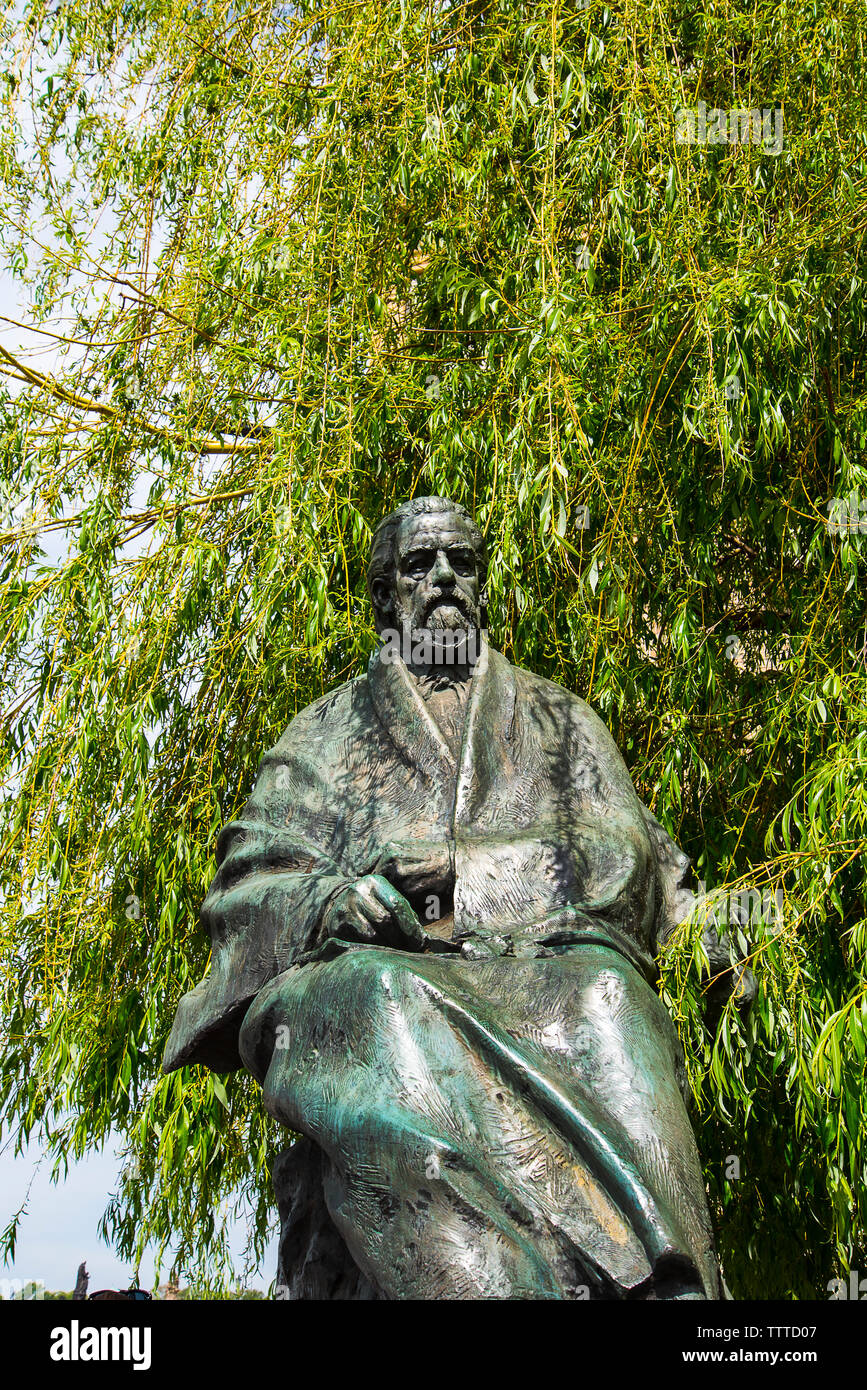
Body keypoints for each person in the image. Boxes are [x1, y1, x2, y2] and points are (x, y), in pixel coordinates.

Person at [164, 495, 751, 1300]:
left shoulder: (558, 719)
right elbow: (249, 884)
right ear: (384, 597)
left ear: (480, 583)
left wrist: (458, 877)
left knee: (609, 999)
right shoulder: (323, 732)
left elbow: (622, 855)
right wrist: (334, 904)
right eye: (420, 564)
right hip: (371, 972)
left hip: (544, 965)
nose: (443, 577)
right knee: (384, 998)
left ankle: (668, 1284)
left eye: (461, 563)